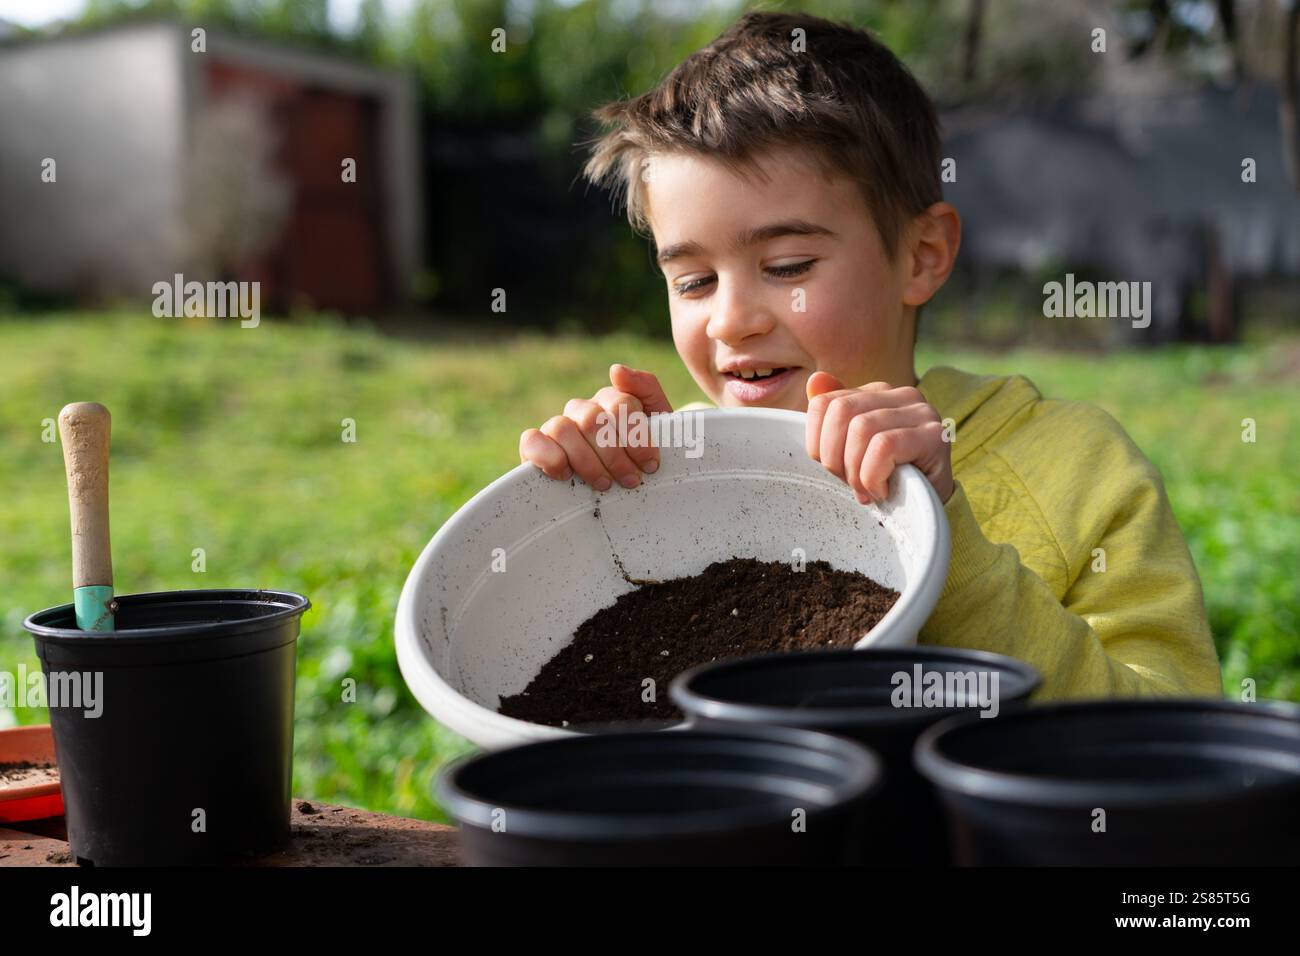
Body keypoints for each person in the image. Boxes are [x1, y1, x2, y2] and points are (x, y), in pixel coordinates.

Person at [518, 11, 1222, 699]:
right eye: (694, 281)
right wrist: (607, 509)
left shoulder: (1080, 468)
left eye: (789, 265)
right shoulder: (671, 475)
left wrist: (950, 543)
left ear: (922, 255)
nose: (730, 320)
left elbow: (1165, 743)